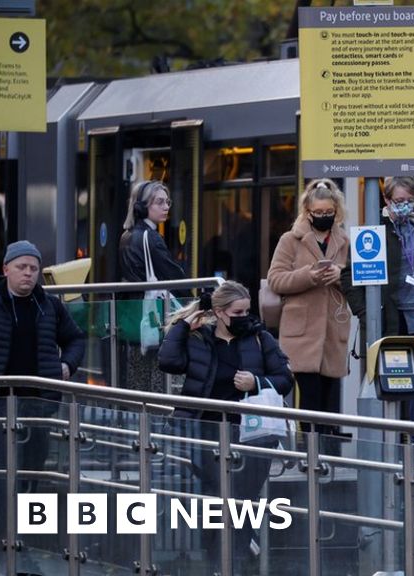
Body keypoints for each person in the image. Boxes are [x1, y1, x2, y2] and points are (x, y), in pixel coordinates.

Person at [159, 280, 294, 572]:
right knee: (215, 502)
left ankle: (237, 563)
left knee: (244, 503)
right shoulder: (200, 339)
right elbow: (168, 361)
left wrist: (256, 382)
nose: (244, 317)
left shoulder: (260, 339)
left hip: (252, 437)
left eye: (247, 311)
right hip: (205, 435)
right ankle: (217, 564)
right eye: (237, 312)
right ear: (219, 313)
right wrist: (184, 326)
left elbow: (285, 379)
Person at [343, 176, 414, 465]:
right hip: (390, 319)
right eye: (398, 200)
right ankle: (389, 446)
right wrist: (366, 313)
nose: (404, 205)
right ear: (386, 201)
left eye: (408, 200)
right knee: (391, 383)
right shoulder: (374, 233)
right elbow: (347, 276)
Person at [0, 241, 85, 552]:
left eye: (34, 269)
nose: (29, 274)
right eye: (22, 267)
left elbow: (75, 338)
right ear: (6, 269)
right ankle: (0, 540)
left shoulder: (49, 304)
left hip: (38, 404)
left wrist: (66, 366)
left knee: (31, 471)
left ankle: (23, 542)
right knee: (1, 472)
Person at [267, 179, 351, 439]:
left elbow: (359, 282)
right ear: (307, 212)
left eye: (329, 213)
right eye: (319, 213)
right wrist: (309, 275)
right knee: (311, 398)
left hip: (332, 329)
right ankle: (312, 455)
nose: (324, 217)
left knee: (330, 400)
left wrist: (340, 275)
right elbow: (275, 279)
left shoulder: (345, 240)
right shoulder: (290, 240)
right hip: (302, 333)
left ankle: (326, 456)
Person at [118, 179, 188, 393]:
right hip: (155, 321)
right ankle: (162, 425)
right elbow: (174, 277)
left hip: (135, 321)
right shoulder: (151, 237)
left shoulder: (126, 236)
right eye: (159, 202)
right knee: (162, 385)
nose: (166, 207)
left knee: (138, 385)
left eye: (168, 202)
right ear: (142, 206)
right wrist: (193, 300)